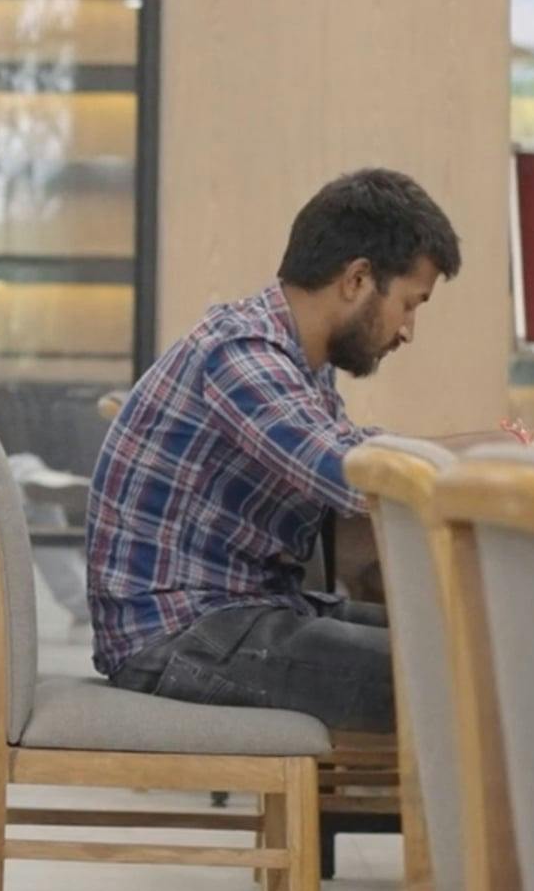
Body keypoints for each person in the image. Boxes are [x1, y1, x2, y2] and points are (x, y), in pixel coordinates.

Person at [84, 167, 461, 735]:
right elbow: (350, 476)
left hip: (232, 614)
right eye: (410, 304)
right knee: (460, 671)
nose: (408, 329)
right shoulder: (241, 352)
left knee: (459, 643)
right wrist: (501, 456)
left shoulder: (298, 363)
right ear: (358, 279)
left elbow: (349, 455)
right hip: (176, 635)